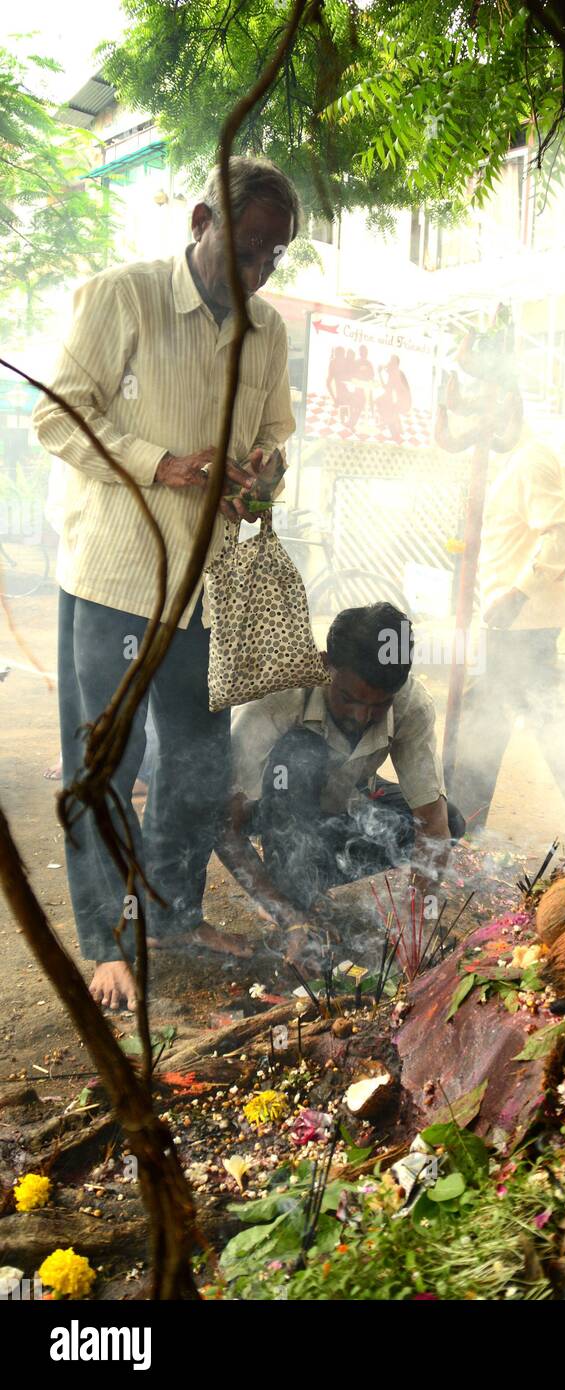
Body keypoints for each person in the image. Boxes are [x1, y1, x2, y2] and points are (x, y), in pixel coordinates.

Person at [32, 156, 299, 1012]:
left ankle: (174, 911)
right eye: (249, 249)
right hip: (116, 574)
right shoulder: (124, 297)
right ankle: (106, 939)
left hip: (204, 586)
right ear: (202, 222)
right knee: (110, 755)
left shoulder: (269, 331)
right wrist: (163, 465)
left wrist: (262, 478)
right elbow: (57, 414)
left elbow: (275, 448)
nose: (257, 274)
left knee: (194, 759)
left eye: (274, 259)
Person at [229, 603, 464, 914]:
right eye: (348, 698)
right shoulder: (280, 694)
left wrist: (421, 918)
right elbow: (225, 821)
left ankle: (311, 876)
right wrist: (285, 913)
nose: (360, 716)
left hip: (343, 802)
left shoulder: (412, 705)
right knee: (300, 754)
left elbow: (433, 826)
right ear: (326, 665)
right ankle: (292, 883)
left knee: (451, 822)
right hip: (274, 810)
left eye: (380, 705)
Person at [449, 381, 565, 831]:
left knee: (486, 723)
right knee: (527, 723)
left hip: (523, 624)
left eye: (484, 421)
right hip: (507, 625)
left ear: (508, 410)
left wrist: (518, 592)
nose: (478, 434)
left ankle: (457, 828)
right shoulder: (506, 465)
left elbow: (564, 536)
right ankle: (460, 826)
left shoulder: (534, 458)